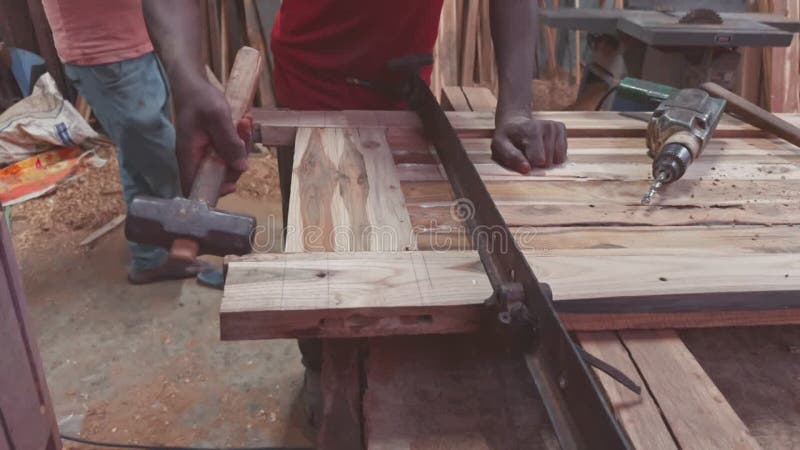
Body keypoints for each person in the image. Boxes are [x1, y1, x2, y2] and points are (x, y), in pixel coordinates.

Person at [142, 0, 568, 425]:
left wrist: (515, 108)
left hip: (403, 83)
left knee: (399, 248)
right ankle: (320, 365)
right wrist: (187, 79)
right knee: (321, 256)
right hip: (313, 84)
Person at [41, 0, 247, 285]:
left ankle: (149, 257)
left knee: (138, 158)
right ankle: (169, 246)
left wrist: (188, 78)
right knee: (163, 162)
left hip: (140, 41)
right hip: (106, 54)